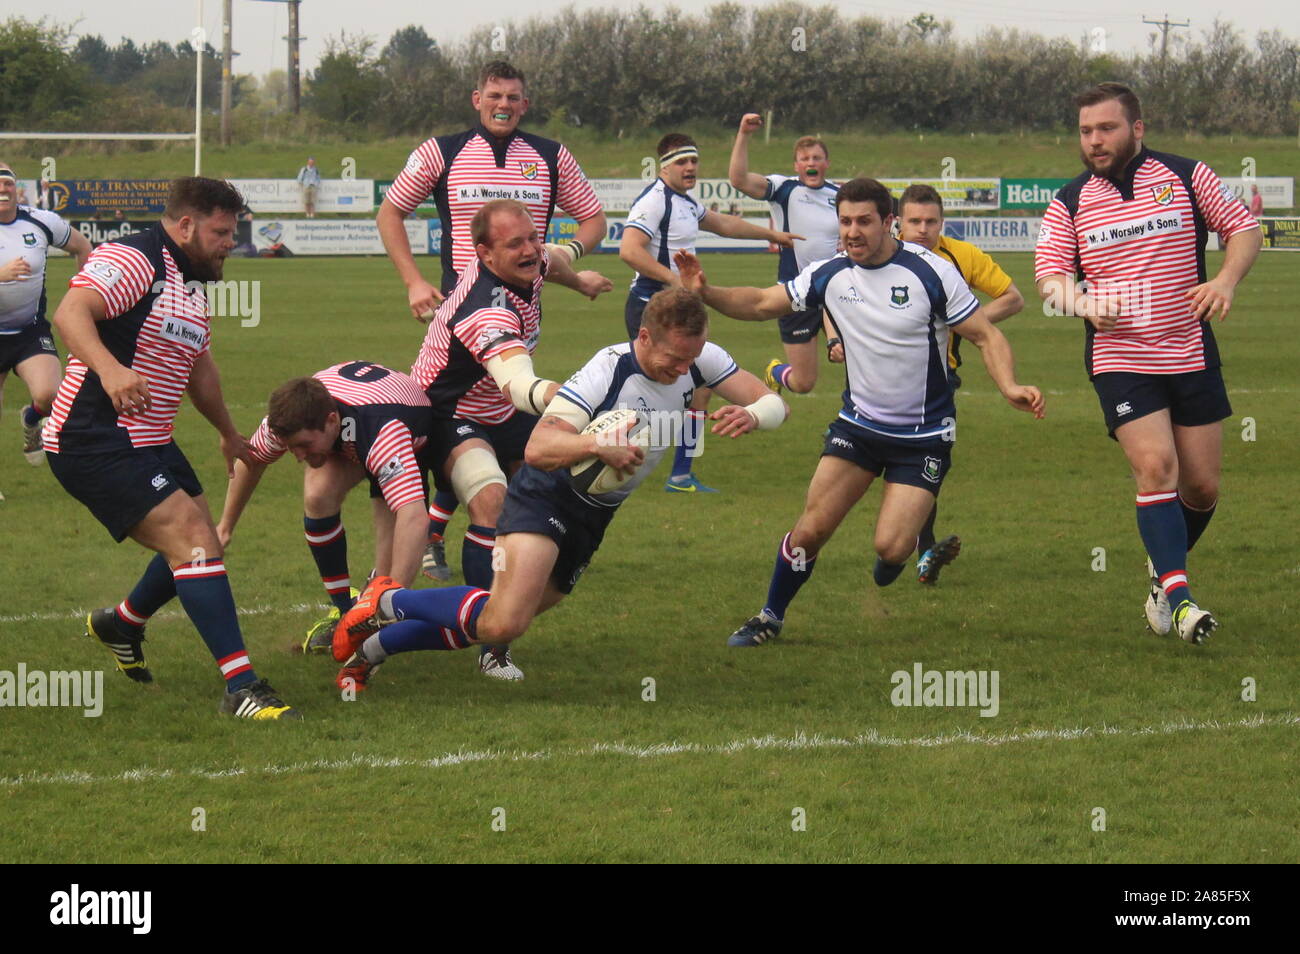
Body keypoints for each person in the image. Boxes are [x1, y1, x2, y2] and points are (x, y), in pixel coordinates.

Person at [330, 287, 788, 691]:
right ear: (645, 337)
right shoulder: (606, 372)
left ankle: (371, 650)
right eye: (674, 359)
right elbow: (538, 447)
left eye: (693, 358)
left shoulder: (697, 358)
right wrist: (598, 445)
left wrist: (752, 414)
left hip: (595, 515)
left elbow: (774, 404)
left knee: (495, 621)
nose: (684, 369)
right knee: (505, 619)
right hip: (545, 495)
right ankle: (386, 599)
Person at [672, 177, 1044, 646]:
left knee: (890, 548)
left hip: (923, 436)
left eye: (864, 221)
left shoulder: (931, 273)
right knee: (810, 529)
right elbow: (764, 302)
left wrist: (1009, 385)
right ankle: (769, 616)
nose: (852, 231)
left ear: (889, 223)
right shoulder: (830, 273)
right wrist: (707, 292)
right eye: (845, 221)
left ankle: (893, 558)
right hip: (859, 428)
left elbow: (986, 335)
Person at [44, 176, 300, 720]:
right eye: (222, 231)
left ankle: (122, 623)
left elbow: (199, 368)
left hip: (150, 440)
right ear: (185, 224)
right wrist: (111, 371)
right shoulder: (134, 256)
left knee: (205, 543)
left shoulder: (190, 283)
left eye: (234, 232)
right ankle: (242, 688)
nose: (231, 242)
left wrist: (229, 433)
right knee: (194, 543)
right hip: (92, 437)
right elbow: (71, 314)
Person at [1035, 82, 1261, 645]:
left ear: (1137, 128)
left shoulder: (1187, 176)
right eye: (1086, 131)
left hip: (1189, 352)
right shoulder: (1069, 200)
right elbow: (1050, 279)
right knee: (1157, 467)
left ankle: (1163, 577)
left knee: (1203, 488)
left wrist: (1225, 280)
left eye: (1106, 128)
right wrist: (1083, 302)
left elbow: (1244, 229)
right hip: (1121, 360)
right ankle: (1182, 603)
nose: (1094, 141)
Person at [376, 60, 608, 580]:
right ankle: (465, 584)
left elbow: (592, 219)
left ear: (525, 104)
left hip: (518, 313)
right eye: (495, 96)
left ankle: (471, 547)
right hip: (469, 317)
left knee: (511, 448)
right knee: (478, 441)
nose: (504, 105)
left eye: (514, 97)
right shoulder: (443, 151)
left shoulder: (550, 156)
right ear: (476, 98)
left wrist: (569, 259)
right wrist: (414, 281)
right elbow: (390, 212)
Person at [411, 198, 610, 680]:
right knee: (492, 502)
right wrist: (575, 403)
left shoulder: (530, 260)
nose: (528, 250)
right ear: (483, 254)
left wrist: (579, 278)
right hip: (446, 412)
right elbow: (518, 384)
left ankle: (506, 594)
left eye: (530, 238)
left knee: (554, 496)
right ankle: (491, 641)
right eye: (514, 244)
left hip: (499, 413)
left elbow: (551, 261)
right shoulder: (486, 311)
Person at [619, 131, 801, 493]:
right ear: (664, 166)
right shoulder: (655, 201)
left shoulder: (684, 201)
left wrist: (775, 235)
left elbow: (723, 223)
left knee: (698, 387)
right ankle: (600, 453)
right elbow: (629, 249)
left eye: (694, 161)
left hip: (681, 307)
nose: (690, 168)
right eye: (682, 162)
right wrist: (675, 280)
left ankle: (680, 474)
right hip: (651, 310)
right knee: (646, 392)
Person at [217, 362, 435, 654]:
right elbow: (252, 460)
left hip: (405, 429)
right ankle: (345, 611)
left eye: (304, 445)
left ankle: (383, 617)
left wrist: (391, 601)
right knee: (318, 495)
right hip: (354, 421)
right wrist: (224, 527)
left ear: (332, 420)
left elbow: (414, 518)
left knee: (386, 581)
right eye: (291, 446)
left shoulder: (382, 434)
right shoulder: (290, 419)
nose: (297, 456)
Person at [885, 182, 1025, 584]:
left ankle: (919, 548)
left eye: (931, 221)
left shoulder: (960, 256)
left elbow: (1013, 297)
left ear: (942, 222)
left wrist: (966, 321)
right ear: (898, 222)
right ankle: (906, 545)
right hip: (878, 377)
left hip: (936, 380)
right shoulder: (880, 255)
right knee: (892, 467)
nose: (923, 229)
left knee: (925, 467)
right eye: (914, 221)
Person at [727, 113, 840, 396]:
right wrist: (744, 134)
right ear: (796, 165)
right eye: (805, 159)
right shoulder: (784, 189)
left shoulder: (841, 195)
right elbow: (738, 179)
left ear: (826, 163)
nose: (811, 163)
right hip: (794, 294)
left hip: (835, 290)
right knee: (803, 383)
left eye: (816, 158)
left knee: (862, 357)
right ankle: (775, 371)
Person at [0, 162, 92, 470]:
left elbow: (83, 247)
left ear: (17, 189)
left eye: (7, 183)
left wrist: (82, 296)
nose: (2, 188)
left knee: (51, 395)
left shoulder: (40, 221)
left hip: (29, 329)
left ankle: (31, 421)